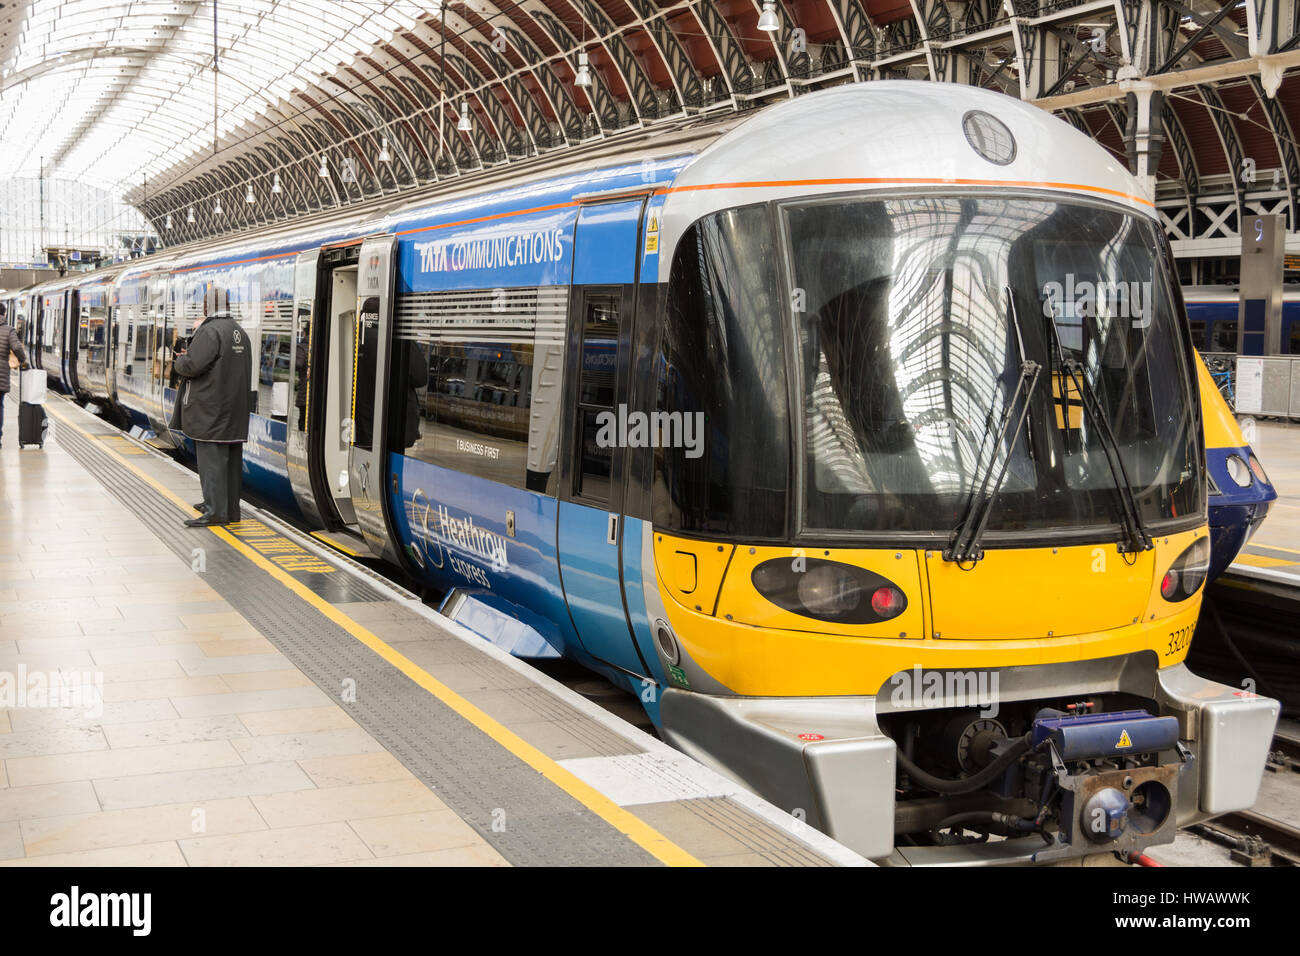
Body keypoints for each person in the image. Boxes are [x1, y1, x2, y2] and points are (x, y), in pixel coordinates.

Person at [173, 291, 252, 527]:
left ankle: (215, 512)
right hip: (235, 410)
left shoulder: (210, 331)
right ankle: (229, 509)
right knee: (230, 462)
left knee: (211, 462)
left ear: (208, 305)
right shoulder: (240, 332)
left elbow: (192, 365)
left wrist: (179, 360)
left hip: (211, 410)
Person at [0, 303, 30, 448]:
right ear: (4, 314)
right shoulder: (8, 330)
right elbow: (17, 347)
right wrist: (23, 360)